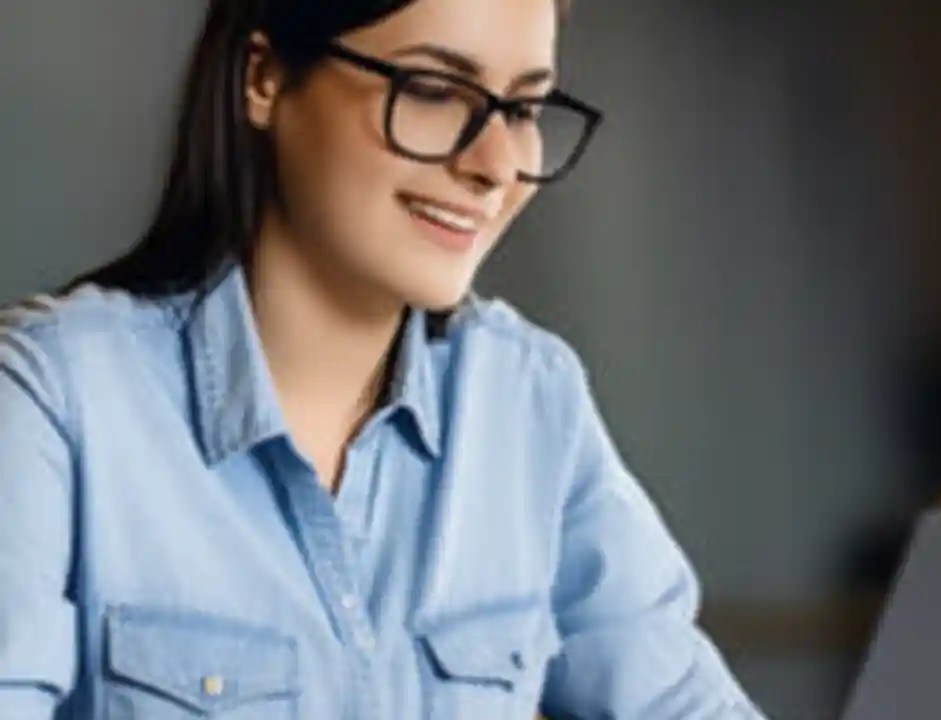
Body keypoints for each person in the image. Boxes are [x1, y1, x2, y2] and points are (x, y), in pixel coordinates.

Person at [0, 0, 767, 717]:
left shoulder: (528, 401)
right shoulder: (55, 399)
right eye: (434, 90)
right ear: (263, 78)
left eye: (525, 109)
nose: (496, 165)